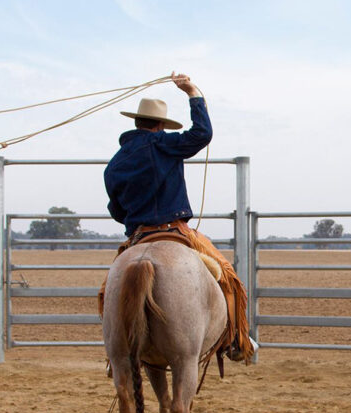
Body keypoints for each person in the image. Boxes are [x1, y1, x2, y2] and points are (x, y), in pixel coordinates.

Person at [98, 72, 254, 364]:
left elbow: (116, 210)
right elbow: (202, 134)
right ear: (159, 126)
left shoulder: (116, 162)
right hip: (175, 231)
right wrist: (193, 93)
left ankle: (115, 355)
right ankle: (236, 340)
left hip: (138, 235)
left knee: (107, 290)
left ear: (136, 122)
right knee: (228, 276)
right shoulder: (163, 144)